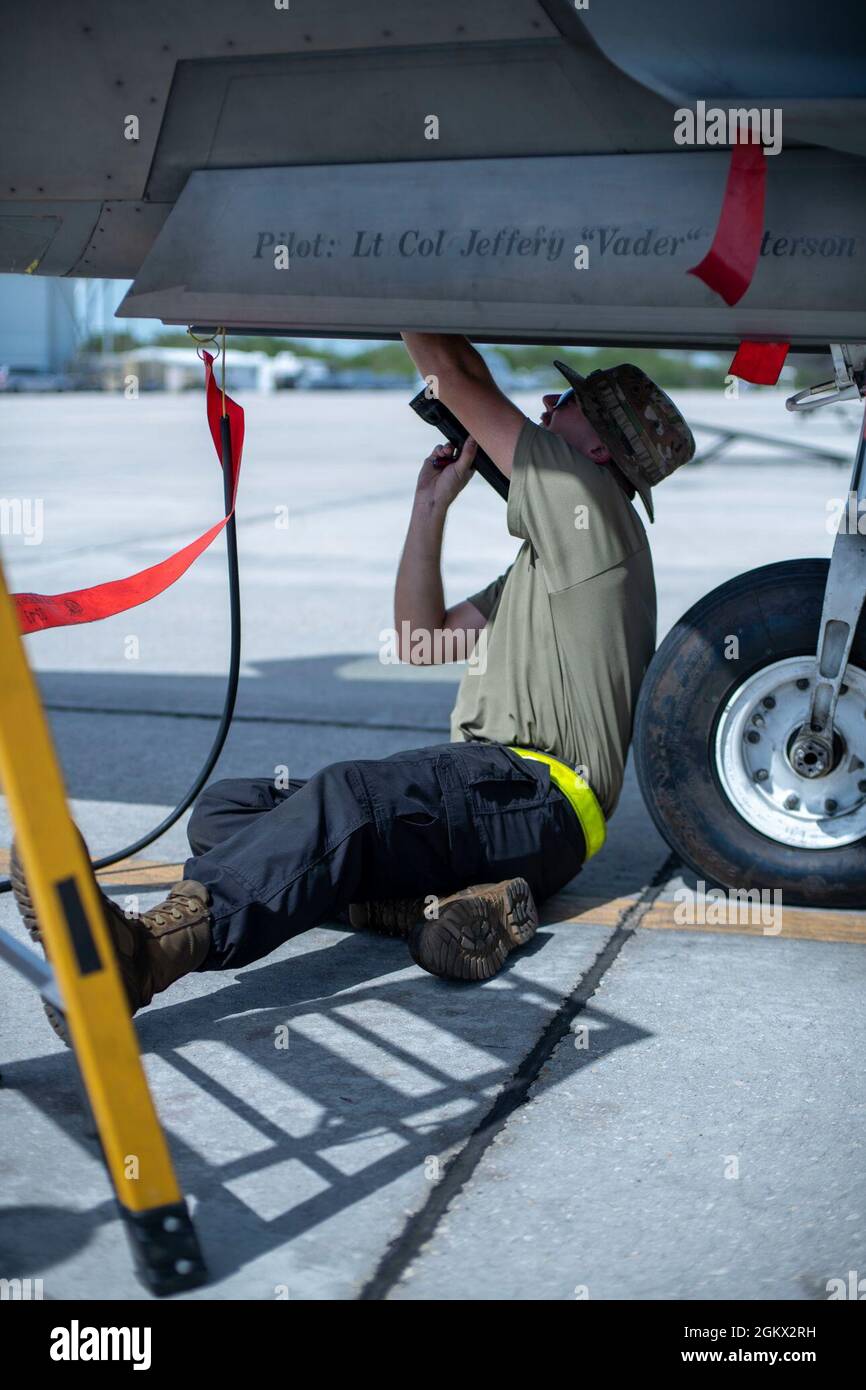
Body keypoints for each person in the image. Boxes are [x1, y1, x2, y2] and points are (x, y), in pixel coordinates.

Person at [12, 334, 695, 1032]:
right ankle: (433, 909)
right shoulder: (561, 557)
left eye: (573, 401)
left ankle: (143, 954)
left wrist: (382, 256)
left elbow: (454, 373)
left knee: (347, 799)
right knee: (227, 814)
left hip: (535, 795)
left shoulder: (590, 506)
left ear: (602, 451)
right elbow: (421, 638)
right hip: (503, 809)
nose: (550, 403)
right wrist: (430, 508)